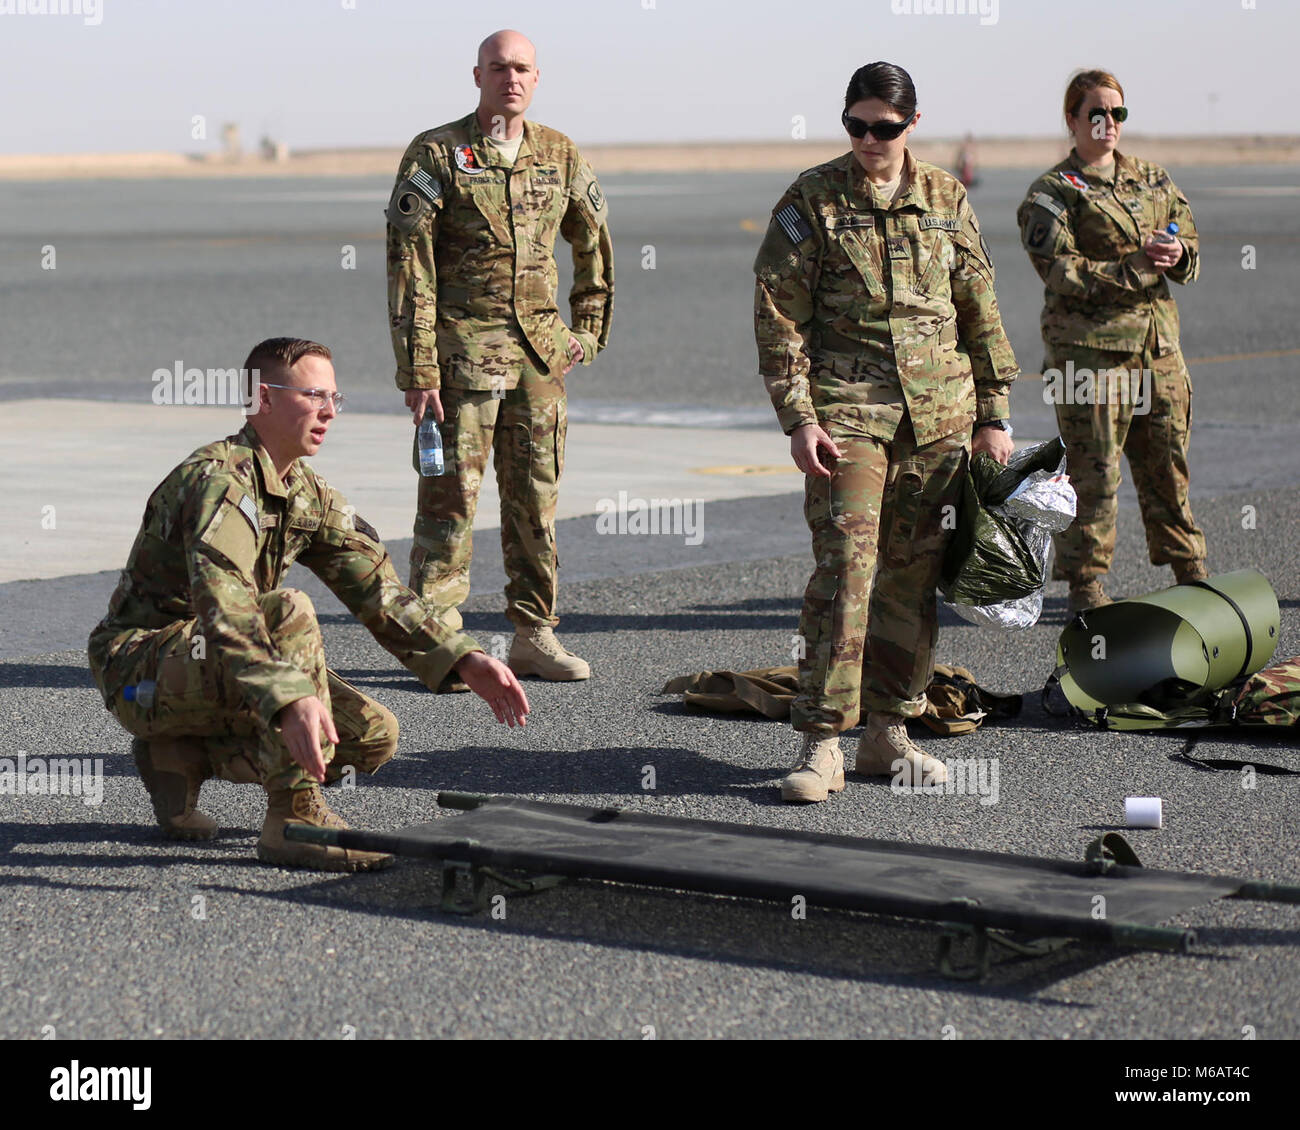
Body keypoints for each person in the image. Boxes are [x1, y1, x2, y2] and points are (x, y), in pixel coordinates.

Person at [87, 338, 530, 872]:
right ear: (263, 399)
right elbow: (224, 608)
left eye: (334, 399)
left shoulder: (304, 491)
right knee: (288, 611)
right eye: (313, 395)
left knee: (369, 735)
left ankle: (180, 756)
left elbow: (378, 590)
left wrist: (462, 657)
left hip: (215, 665)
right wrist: (288, 695)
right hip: (139, 669)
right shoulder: (220, 482)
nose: (327, 412)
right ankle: (293, 823)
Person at [754, 61, 1019, 804]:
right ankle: (822, 742)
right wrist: (799, 418)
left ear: (912, 125)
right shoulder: (811, 199)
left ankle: (887, 733)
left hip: (939, 417)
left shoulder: (945, 196)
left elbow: (979, 306)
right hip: (848, 415)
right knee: (846, 568)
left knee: (912, 576)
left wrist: (994, 414)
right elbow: (779, 318)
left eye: (885, 128)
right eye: (857, 125)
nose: (870, 139)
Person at [386, 28, 614, 681]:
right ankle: (436, 640)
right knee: (450, 500)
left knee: (536, 499)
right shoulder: (436, 154)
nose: (509, 78)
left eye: (521, 68)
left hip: (541, 357)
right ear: (477, 75)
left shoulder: (560, 154)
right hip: (461, 354)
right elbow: (410, 268)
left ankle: (533, 633)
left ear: (536, 79)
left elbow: (593, 243)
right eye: (497, 68)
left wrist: (589, 330)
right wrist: (418, 369)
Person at [1017, 69, 1206, 613]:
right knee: (1093, 473)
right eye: (1095, 113)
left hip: (1158, 351)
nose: (1107, 124)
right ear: (1072, 120)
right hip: (1091, 359)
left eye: (1117, 113)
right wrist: (1136, 266)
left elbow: (1187, 236)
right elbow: (1060, 273)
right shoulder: (1052, 193)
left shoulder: (1151, 178)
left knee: (1168, 466)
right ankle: (1084, 584)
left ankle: (1189, 569)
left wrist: (1178, 255)